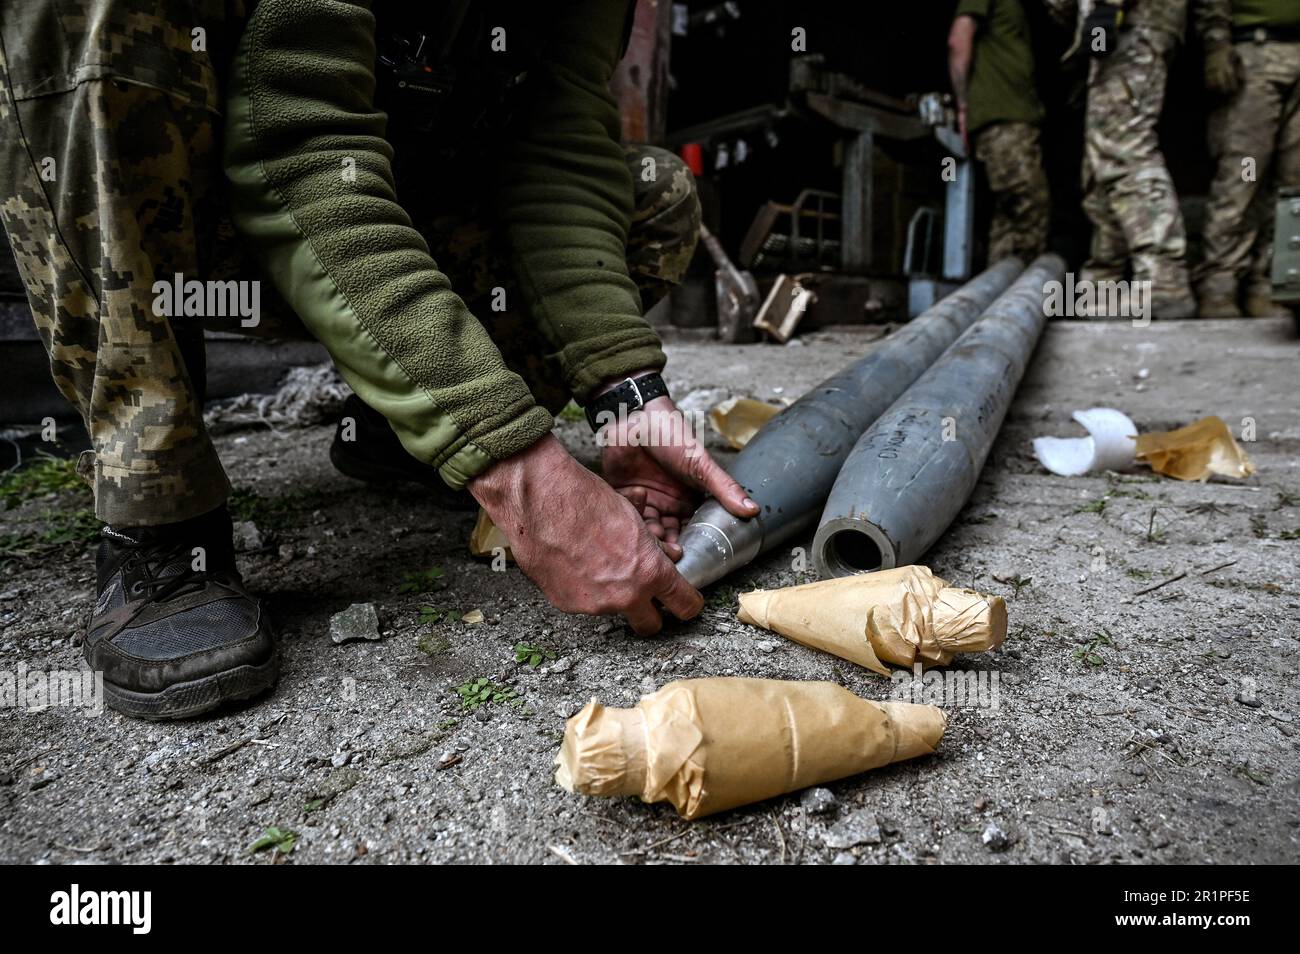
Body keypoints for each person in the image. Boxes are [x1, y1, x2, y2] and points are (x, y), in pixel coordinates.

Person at [0, 0, 757, 720]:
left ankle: (401, 439)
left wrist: (625, 394)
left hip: (386, 208)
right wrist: (516, 464)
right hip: (207, 217)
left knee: (653, 193)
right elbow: (299, 137)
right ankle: (161, 520)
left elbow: (557, 146)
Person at [1050, 0, 1225, 318]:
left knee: (1123, 147)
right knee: (1101, 158)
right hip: (1128, 21)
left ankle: (1164, 279)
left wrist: (1107, 7)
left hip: (1131, 20)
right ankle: (1104, 283)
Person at [1195, 0, 1300, 317]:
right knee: (1246, 172)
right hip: (1254, 54)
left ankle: (1269, 282)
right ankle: (1220, 284)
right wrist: (1216, 43)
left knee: (1292, 179)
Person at [948, 0, 1052, 264]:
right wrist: (963, 106)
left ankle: (1001, 296)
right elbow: (958, 41)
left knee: (1009, 220)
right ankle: (1024, 295)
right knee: (1030, 203)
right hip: (1002, 121)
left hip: (1015, 120)